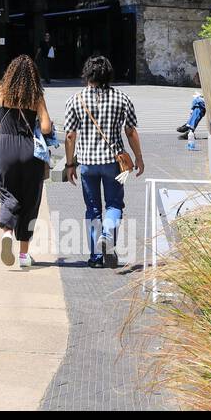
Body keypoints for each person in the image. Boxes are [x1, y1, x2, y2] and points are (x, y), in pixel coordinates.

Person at [63, 54, 146, 269]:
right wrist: (138, 157)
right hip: (113, 163)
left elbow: (70, 135)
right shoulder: (122, 98)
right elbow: (130, 131)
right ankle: (109, 236)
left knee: (92, 209)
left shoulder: (76, 99)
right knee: (114, 204)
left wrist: (70, 164)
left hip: (87, 163)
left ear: (86, 74)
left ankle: (96, 257)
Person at [0, 55, 53, 269]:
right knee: (30, 200)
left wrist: (6, 129)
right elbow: (46, 127)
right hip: (29, 150)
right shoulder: (36, 96)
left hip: (5, 147)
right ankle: (24, 255)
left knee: (7, 192)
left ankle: (7, 232)